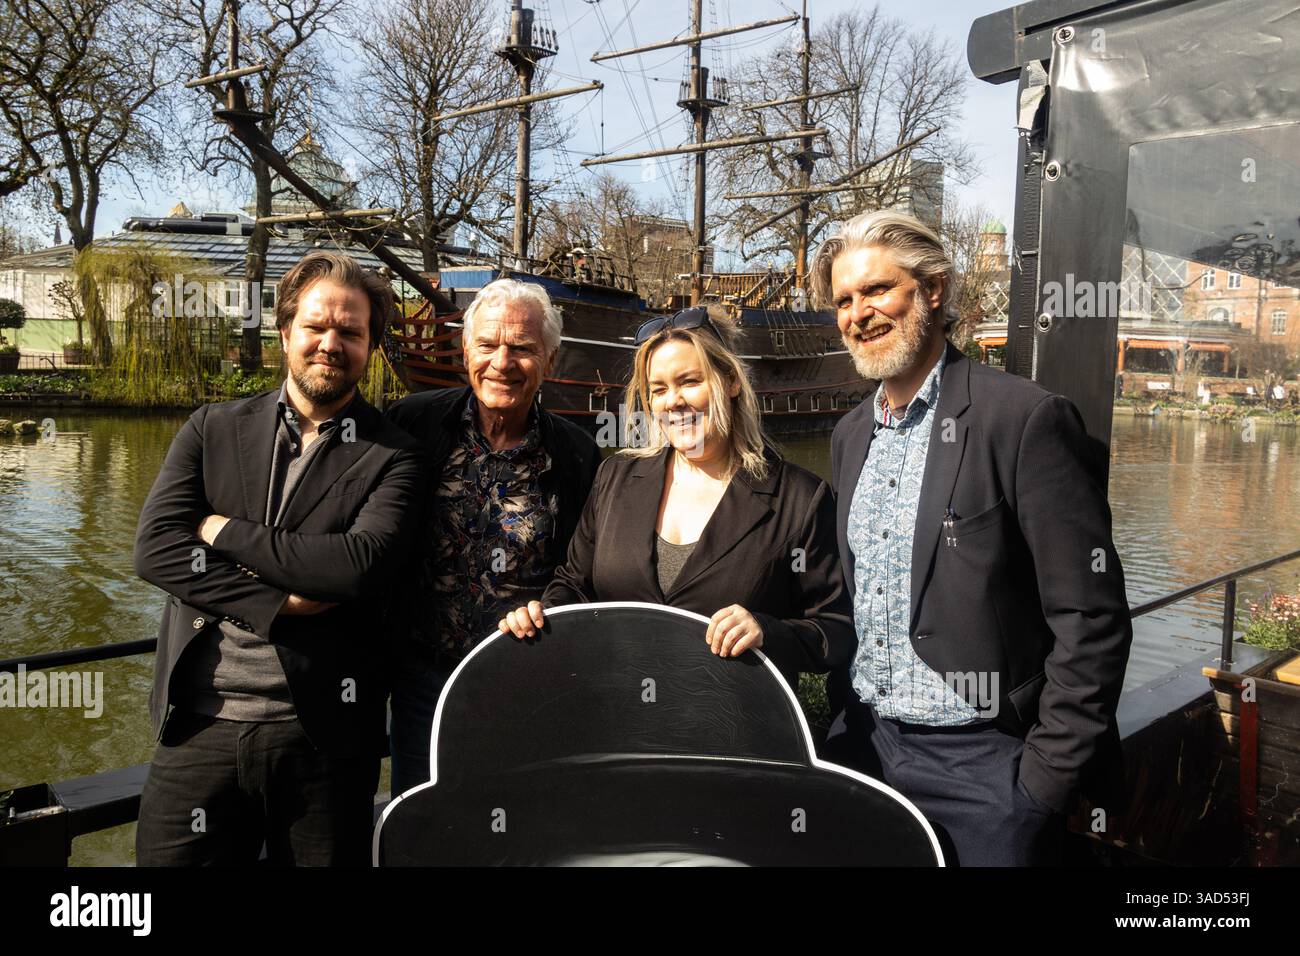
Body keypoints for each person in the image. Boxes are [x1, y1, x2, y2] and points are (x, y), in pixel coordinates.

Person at [812, 210, 1132, 866]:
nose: (858, 313)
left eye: (877, 290)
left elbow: (1090, 618)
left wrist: (1038, 787)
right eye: (844, 300)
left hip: (982, 766)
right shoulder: (849, 437)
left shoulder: (1022, 419)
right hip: (862, 745)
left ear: (933, 289)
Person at [133, 251, 426, 865]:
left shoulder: (394, 454)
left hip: (323, 738)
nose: (330, 344)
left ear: (371, 345)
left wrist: (218, 529)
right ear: (286, 330)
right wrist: (277, 601)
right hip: (199, 723)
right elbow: (157, 549)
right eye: (317, 326)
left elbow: (353, 567)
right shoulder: (211, 428)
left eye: (351, 332)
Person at [499, 307, 854, 690]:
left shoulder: (800, 498)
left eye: (689, 381)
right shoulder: (616, 478)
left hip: (731, 731)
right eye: (659, 389)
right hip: (618, 714)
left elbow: (836, 629)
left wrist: (767, 631)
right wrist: (544, 614)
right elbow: (576, 582)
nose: (673, 401)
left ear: (731, 381)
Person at [384, 278, 599, 796]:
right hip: (422, 679)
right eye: (487, 345)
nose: (502, 361)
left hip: (522, 678)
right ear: (464, 350)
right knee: (424, 819)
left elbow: (586, 568)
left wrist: (550, 608)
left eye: (522, 348)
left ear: (550, 359)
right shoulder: (411, 424)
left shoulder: (576, 454)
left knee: (518, 823)